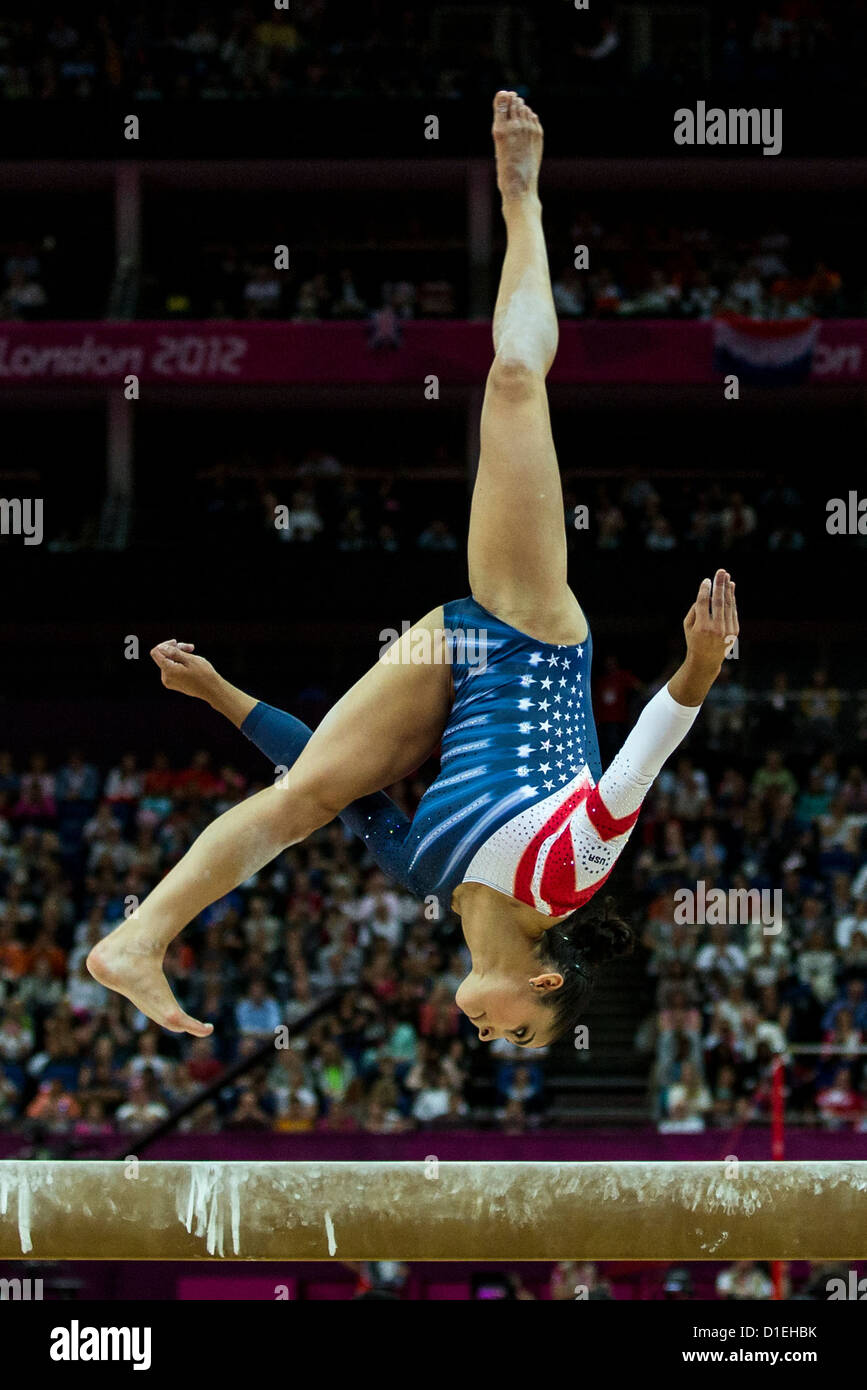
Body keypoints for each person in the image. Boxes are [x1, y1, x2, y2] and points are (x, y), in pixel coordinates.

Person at [89, 93, 738, 1050]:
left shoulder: (425, 870)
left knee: (302, 797)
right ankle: (523, 201)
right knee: (512, 387)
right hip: (524, 634)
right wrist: (698, 670)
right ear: (546, 978)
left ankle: (138, 940)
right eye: (521, 1034)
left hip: (448, 658)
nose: (494, 1039)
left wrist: (222, 693)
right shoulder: (568, 873)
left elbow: (333, 781)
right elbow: (642, 758)